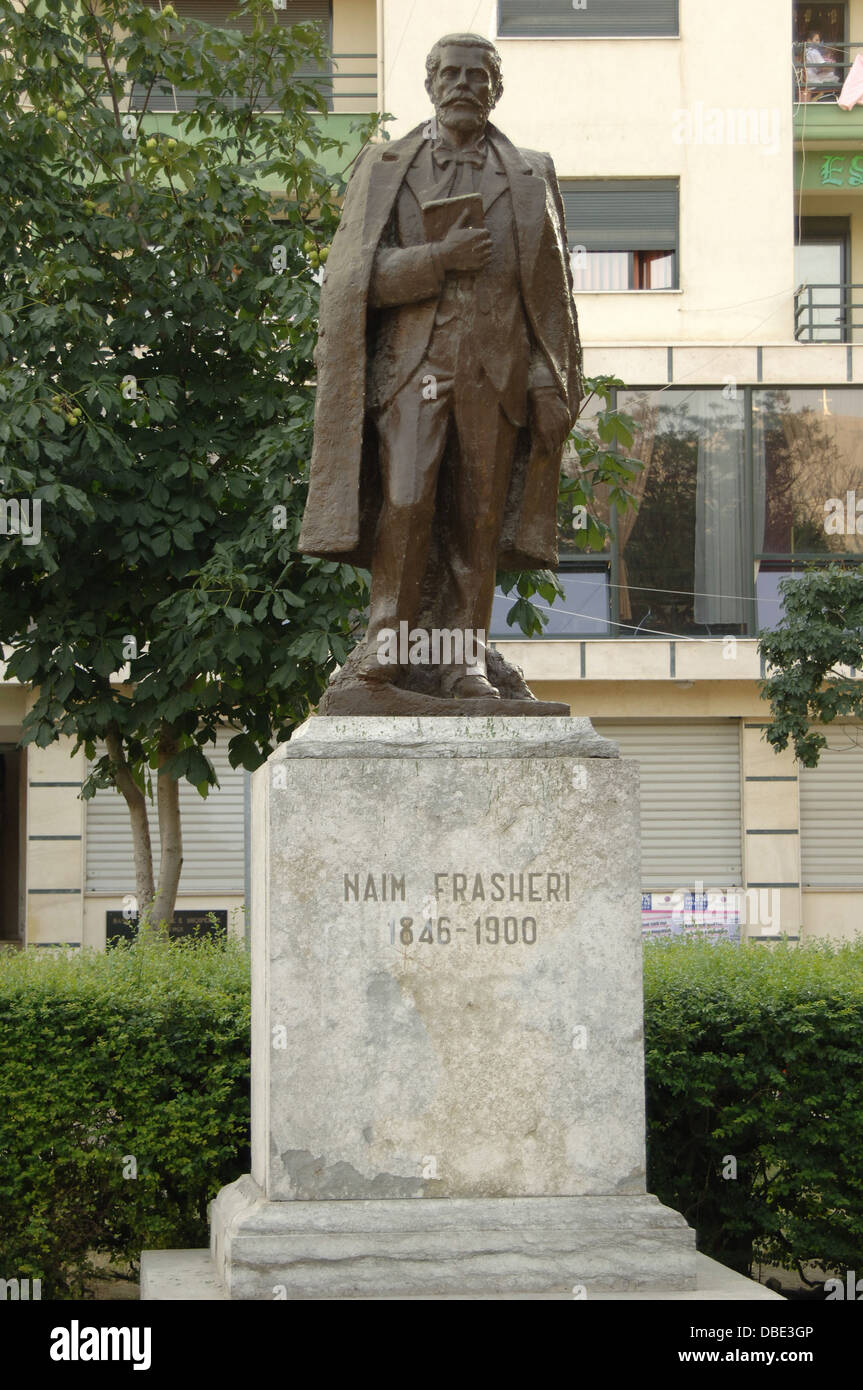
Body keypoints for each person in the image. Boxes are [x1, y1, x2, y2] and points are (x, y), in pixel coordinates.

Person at [298, 33, 582, 701]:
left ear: (494, 88)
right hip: (411, 371)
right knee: (405, 502)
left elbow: (548, 296)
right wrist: (437, 260)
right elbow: (348, 283)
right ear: (429, 85)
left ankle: (463, 662)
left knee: (477, 517)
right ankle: (386, 651)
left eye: (476, 75)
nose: (462, 84)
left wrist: (548, 381)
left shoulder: (532, 172)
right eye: (449, 73)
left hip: (496, 374)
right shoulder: (382, 164)